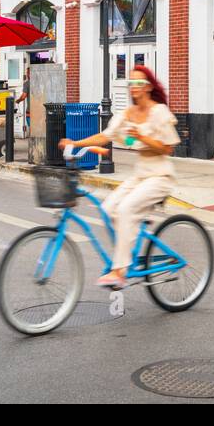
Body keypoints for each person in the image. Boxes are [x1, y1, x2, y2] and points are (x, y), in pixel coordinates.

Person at [60, 65, 181, 289]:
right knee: (108, 209)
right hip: (140, 175)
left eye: (138, 83)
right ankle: (128, 252)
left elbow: (167, 149)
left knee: (125, 209)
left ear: (148, 87)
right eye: (131, 84)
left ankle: (120, 270)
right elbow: (105, 136)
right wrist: (75, 143)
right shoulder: (126, 115)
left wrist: (143, 136)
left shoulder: (159, 112)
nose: (133, 88)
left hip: (160, 175)